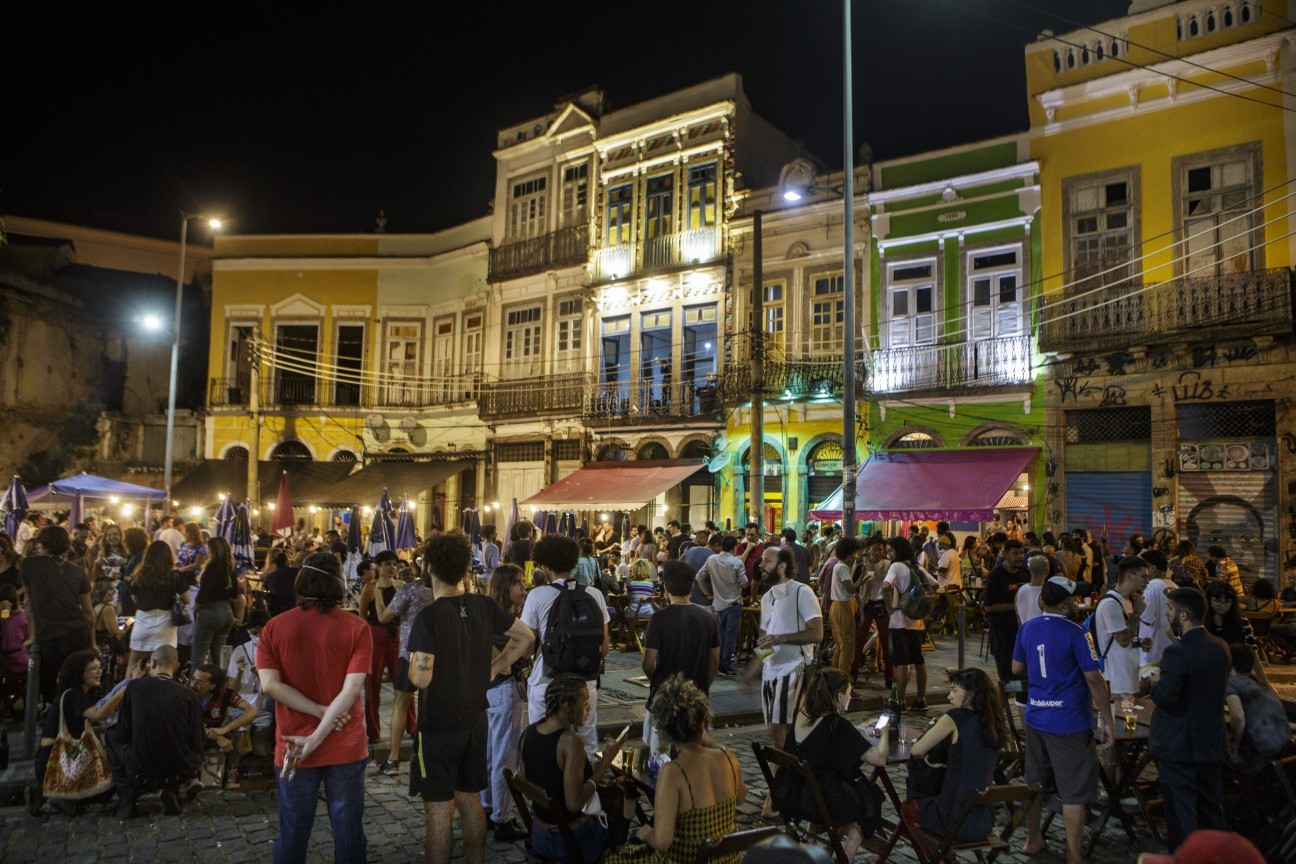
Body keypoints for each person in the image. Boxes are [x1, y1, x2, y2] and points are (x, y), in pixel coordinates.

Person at [406, 533, 535, 864]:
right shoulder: (483, 605)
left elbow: (421, 678)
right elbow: (526, 637)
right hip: (476, 719)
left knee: (438, 811)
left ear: (430, 567)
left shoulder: (428, 617)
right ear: (464, 568)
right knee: (470, 801)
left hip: (438, 726)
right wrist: (496, 667)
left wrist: (411, 665)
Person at [257, 551, 372, 864]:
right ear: (339, 583)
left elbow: (269, 686)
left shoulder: (274, 628)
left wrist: (314, 726)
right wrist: (326, 717)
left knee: (293, 832)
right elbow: (352, 690)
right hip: (344, 743)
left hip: (293, 743)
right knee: (349, 832)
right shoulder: (356, 627)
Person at [1012, 575, 1115, 864]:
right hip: (1068, 721)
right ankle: (1074, 855)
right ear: (1063, 604)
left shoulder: (1028, 627)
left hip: (1036, 715)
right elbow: (1094, 678)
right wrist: (1106, 719)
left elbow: (1016, 667)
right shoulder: (1078, 632)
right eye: (1074, 598)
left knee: (1034, 783)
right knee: (1074, 792)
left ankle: (1033, 839)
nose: (1078, 602)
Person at [608, 674, 746, 864]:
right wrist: (709, 740)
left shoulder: (674, 772)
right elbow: (741, 798)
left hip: (685, 860)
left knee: (609, 859)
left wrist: (646, 832)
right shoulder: (728, 758)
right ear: (703, 722)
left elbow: (662, 842)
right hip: (728, 860)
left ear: (666, 730)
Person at [774, 666, 889, 859]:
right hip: (818, 802)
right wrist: (884, 734)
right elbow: (880, 759)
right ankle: (847, 853)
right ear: (839, 696)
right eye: (849, 693)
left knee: (852, 796)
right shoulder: (837, 725)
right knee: (868, 804)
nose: (850, 697)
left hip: (792, 794)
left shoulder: (803, 713)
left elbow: (822, 740)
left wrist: (856, 730)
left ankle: (811, 837)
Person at [1151, 587, 1230, 849]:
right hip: (1211, 741)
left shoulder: (1178, 652)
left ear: (1183, 615)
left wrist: (1154, 683)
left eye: (1170, 609)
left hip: (1179, 745)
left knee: (1181, 814)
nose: (1168, 614)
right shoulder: (1220, 646)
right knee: (1211, 810)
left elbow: (1166, 697)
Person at [518, 673, 625, 863]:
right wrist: (606, 763)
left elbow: (537, 776)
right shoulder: (570, 742)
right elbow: (574, 804)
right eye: (584, 703)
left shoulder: (529, 732)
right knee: (623, 811)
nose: (589, 708)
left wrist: (588, 767)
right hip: (568, 841)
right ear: (567, 706)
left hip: (539, 834)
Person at [521, 535, 611, 758]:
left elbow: (526, 644)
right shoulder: (594, 594)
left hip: (547, 680)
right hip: (584, 682)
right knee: (586, 748)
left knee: (543, 749)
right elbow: (605, 647)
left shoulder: (537, 596)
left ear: (544, 566)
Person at [909, 667, 1007, 841]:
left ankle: (938, 854)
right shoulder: (993, 721)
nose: (949, 696)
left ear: (971, 694)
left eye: (954, 690)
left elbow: (917, 750)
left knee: (908, 807)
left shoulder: (956, 717)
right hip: (982, 822)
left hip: (952, 819)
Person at [107, 645, 204, 818]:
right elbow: (196, 737)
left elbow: (123, 732)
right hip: (180, 770)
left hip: (141, 769)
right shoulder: (188, 694)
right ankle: (170, 789)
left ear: (152, 663)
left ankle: (127, 798)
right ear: (176, 666)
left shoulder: (134, 688)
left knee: (110, 735)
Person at [747, 546, 822, 751]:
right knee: (776, 734)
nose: (761, 565)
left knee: (778, 730)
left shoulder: (801, 592)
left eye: (767, 561)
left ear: (782, 566)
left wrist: (780, 638)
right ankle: (785, 769)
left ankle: (787, 769)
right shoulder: (766, 598)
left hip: (794, 669)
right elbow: (765, 641)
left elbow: (817, 633)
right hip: (770, 673)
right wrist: (754, 667)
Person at [642, 560, 719, 743]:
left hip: (664, 700)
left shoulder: (659, 619)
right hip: (697, 698)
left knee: (660, 751)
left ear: (666, 587)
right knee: (694, 749)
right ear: (691, 586)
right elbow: (714, 661)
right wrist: (703, 687)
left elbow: (648, 664)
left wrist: (658, 682)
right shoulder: (709, 618)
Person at [33, 649, 122, 802]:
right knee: (109, 782)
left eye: (99, 668)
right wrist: (123, 691)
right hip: (54, 762)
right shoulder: (74, 694)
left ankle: (57, 799)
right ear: (79, 673)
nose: (99, 672)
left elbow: (80, 728)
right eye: (93, 668)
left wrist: (103, 728)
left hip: (51, 761)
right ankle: (55, 798)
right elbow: (98, 714)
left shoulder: (75, 694)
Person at [482, 564, 531, 842]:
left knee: (491, 754)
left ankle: (488, 807)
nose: (524, 588)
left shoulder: (494, 617)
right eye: (518, 583)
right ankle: (502, 818)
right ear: (504, 587)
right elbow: (505, 665)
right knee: (505, 756)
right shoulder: (504, 623)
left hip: (490, 693)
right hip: (503, 691)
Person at [21, 525, 95, 703]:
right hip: (78, 634)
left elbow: (28, 602)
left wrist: (33, 636)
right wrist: (93, 642)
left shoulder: (29, 565)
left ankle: (52, 712)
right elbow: (88, 612)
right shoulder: (78, 571)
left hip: (49, 635)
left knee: (47, 683)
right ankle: (74, 714)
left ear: (42, 542)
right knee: (76, 682)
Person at [374, 548, 430, 776]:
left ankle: (393, 758)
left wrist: (378, 593)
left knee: (401, 703)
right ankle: (426, 757)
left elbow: (383, 617)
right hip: (436, 655)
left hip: (410, 653)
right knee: (429, 706)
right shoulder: (449, 591)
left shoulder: (410, 589)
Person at [882, 536, 938, 710]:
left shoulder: (896, 566)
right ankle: (921, 699)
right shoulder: (916, 566)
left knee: (901, 662)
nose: (889, 554)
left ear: (898, 550)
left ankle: (900, 701)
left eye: (891, 551)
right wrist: (915, 601)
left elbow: (885, 586)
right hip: (917, 622)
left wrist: (890, 608)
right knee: (918, 660)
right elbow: (935, 584)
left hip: (899, 620)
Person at [1223, 644, 1288, 775]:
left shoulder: (1232, 683)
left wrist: (1235, 744)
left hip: (1260, 752)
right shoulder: (1259, 682)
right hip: (1284, 748)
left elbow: (1238, 717)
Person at [191, 662, 258, 789]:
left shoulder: (225, 693)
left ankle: (232, 770)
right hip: (195, 734)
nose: (193, 684)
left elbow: (252, 711)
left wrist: (224, 729)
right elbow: (186, 724)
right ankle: (188, 777)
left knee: (242, 728)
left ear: (212, 685)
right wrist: (216, 736)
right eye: (193, 679)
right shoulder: (187, 693)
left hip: (216, 730)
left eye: (199, 682)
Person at [1096, 557, 1149, 702]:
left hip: (1127, 678)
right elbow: (1123, 640)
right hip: (1118, 682)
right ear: (1130, 577)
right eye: (1143, 576)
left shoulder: (1125, 601)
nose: (1146, 581)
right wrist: (1137, 613)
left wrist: (1139, 642)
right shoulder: (1111, 604)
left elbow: (1126, 637)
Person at [694, 533, 747, 676]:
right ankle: (726, 665)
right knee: (730, 636)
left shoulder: (712, 559)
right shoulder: (737, 563)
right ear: (734, 548)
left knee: (719, 634)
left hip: (718, 603)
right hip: (734, 603)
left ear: (721, 546)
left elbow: (699, 577)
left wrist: (707, 594)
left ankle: (717, 662)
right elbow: (744, 583)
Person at [1203, 581, 1271, 689]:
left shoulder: (1242, 623)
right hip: (1207, 675)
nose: (1222, 605)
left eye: (1227, 602)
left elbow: (1252, 652)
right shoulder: (1201, 623)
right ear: (1209, 600)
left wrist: (1266, 683)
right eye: (1217, 601)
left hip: (1236, 676)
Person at [192, 536, 241, 668]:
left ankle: (196, 680)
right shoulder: (231, 568)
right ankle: (221, 680)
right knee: (219, 657)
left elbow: (202, 594)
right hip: (227, 613)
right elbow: (234, 594)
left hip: (210, 612)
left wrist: (195, 608)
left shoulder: (211, 568)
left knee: (198, 657)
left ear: (213, 550)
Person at [984, 538, 1025, 689]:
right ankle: (1006, 702)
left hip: (1022, 634)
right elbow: (988, 607)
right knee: (1007, 680)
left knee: (1023, 679)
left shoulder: (1025, 574)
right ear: (1006, 554)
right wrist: (1015, 606)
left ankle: (1019, 701)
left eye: (1021, 553)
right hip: (1003, 635)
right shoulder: (995, 576)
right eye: (1015, 553)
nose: (1019, 557)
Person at [827, 537, 861, 676]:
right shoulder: (842, 567)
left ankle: (835, 679)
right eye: (854, 553)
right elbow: (851, 589)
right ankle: (844, 681)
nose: (855, 557)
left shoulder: (838, 566)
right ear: (848, 553)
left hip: (836, 606)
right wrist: (863, 577)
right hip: (843, 607)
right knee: (847, 647)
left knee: (840, 647)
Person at [1139, 552, 1177, 666]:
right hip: (1171, 650)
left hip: (1152, 653)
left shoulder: (1151, 586)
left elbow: (1147, 619)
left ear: (1152, 568)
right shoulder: (1174, 586)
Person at [735, 523, 764, 599]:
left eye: (752, 535)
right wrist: (748, 549)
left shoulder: (763, 546)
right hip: (746, 583)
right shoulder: (741, 547)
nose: (749, 537)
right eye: (747, 534)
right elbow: (739, 563)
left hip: (759, 583)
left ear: (757, 535)